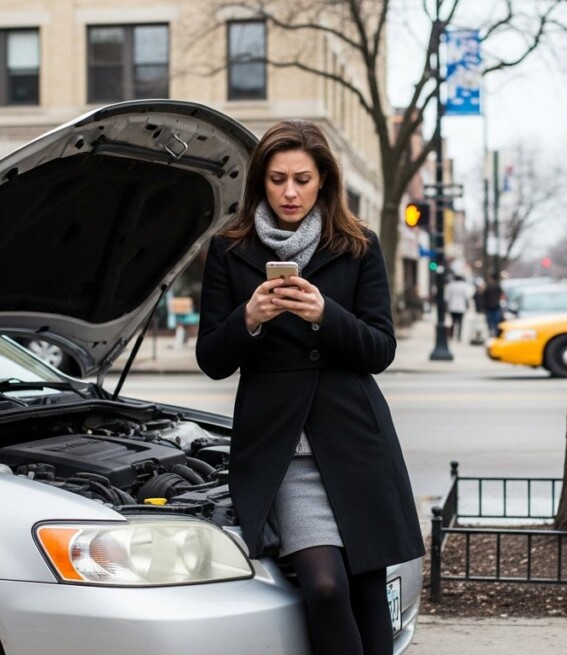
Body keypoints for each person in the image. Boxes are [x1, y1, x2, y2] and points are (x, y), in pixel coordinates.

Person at [196, 120, 423, 655]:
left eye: (302, 178)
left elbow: (380, 348)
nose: (290, 192)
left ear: (324, 180)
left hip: (353, 441)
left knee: (369, 587)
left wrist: (326, 314)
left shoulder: (357, 245)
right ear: (261, 182)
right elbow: (212, 360)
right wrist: (248, 318)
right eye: (277, 179)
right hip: (283, 452)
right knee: (324, 584)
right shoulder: (230, 251)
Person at [444, 273, 471, 342]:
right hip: (461, 307)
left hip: (452, 306)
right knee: (460, 322)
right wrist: (467, 305)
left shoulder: (451, 285)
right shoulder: (464, 286)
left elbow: (447, 297)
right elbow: (467, 296)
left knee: (453, 322)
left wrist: (447, 307)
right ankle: (459, 336)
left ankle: (452, 335)